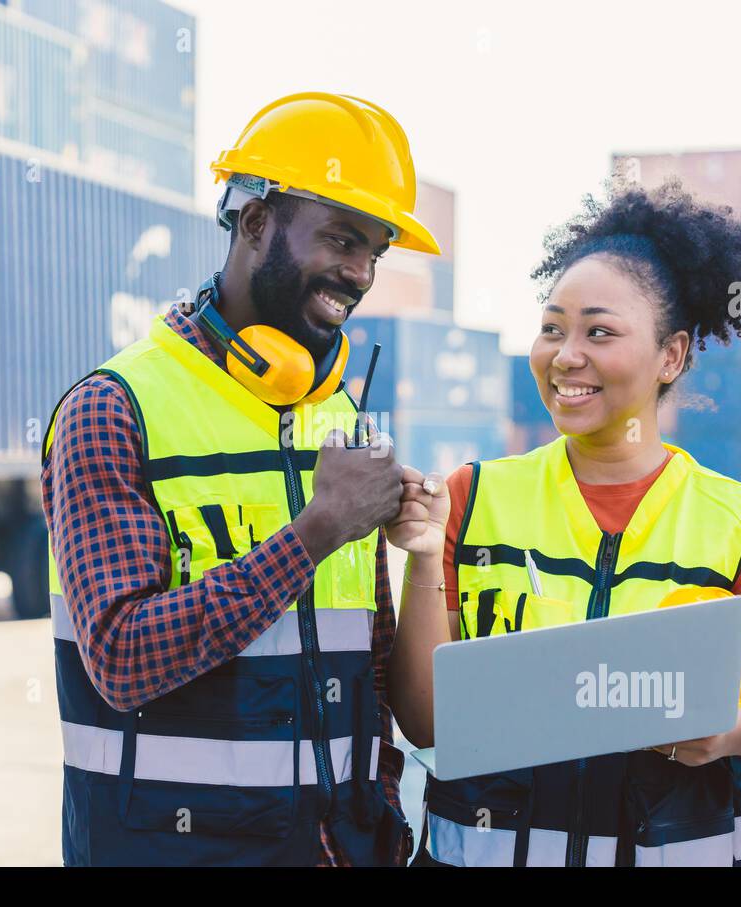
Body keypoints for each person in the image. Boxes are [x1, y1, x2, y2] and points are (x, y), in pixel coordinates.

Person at [388, 180, 741, 866]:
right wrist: (418, 557)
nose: (565, 355)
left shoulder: (740, 521)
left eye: (600, 331)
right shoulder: (472, 499)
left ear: (670, 356)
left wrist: (734, 734)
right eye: (552, 326)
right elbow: (425, 721)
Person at [40, 92, 442, 866]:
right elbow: (123, 658)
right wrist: (315, 532)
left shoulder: (339, 415)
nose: (359, 273)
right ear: (255, 222)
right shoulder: (114, 410)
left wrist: (381, 807)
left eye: (375, 251)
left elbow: (374, 668)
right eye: (341, 238)